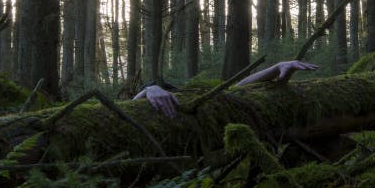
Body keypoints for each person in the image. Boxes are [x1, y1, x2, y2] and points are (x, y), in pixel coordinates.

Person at [133, 60, 319, 118]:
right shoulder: (151, 99)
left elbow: (234, 91)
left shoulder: (200, 105)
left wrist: (277, 68)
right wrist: (150, 89)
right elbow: (125, 113)